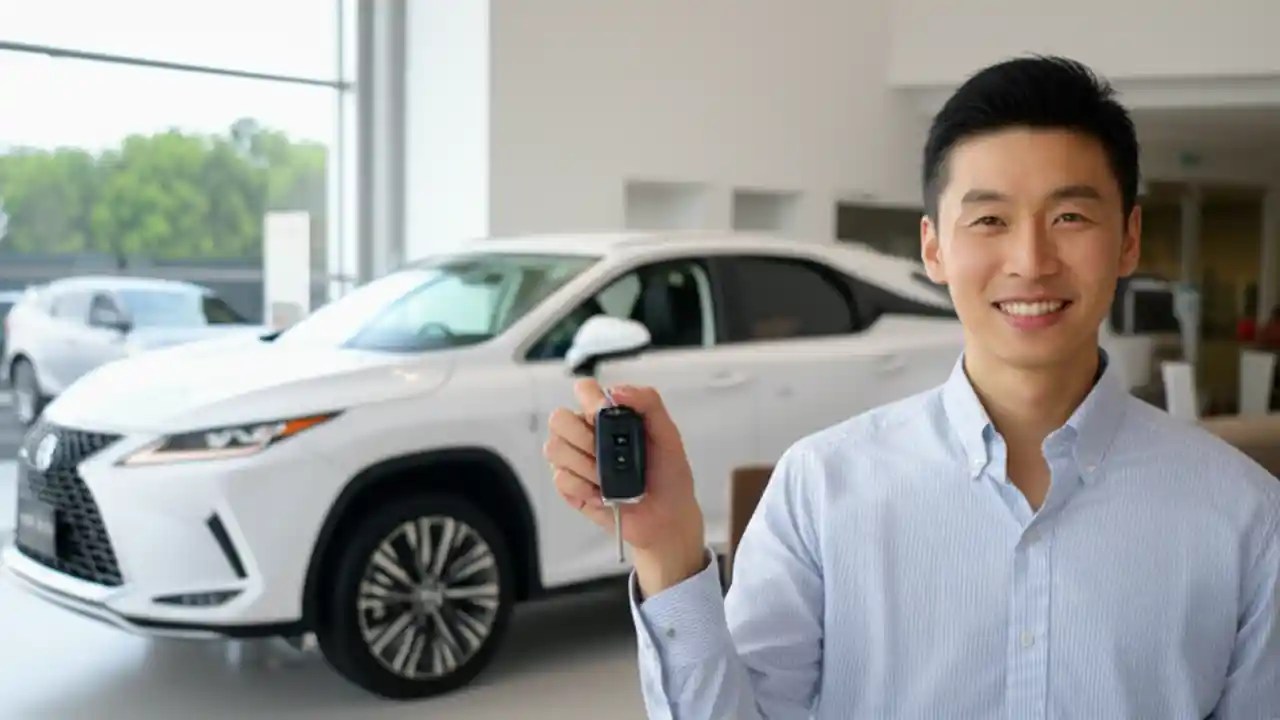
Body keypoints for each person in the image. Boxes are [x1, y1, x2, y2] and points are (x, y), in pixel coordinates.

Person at [544, 56, 1280, 718]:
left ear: (1127, 240)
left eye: (1070, 217)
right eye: (989, 218)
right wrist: (669, 554)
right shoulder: (821, 487)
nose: (1030, 259)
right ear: (933, 247)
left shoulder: (1245, 515)